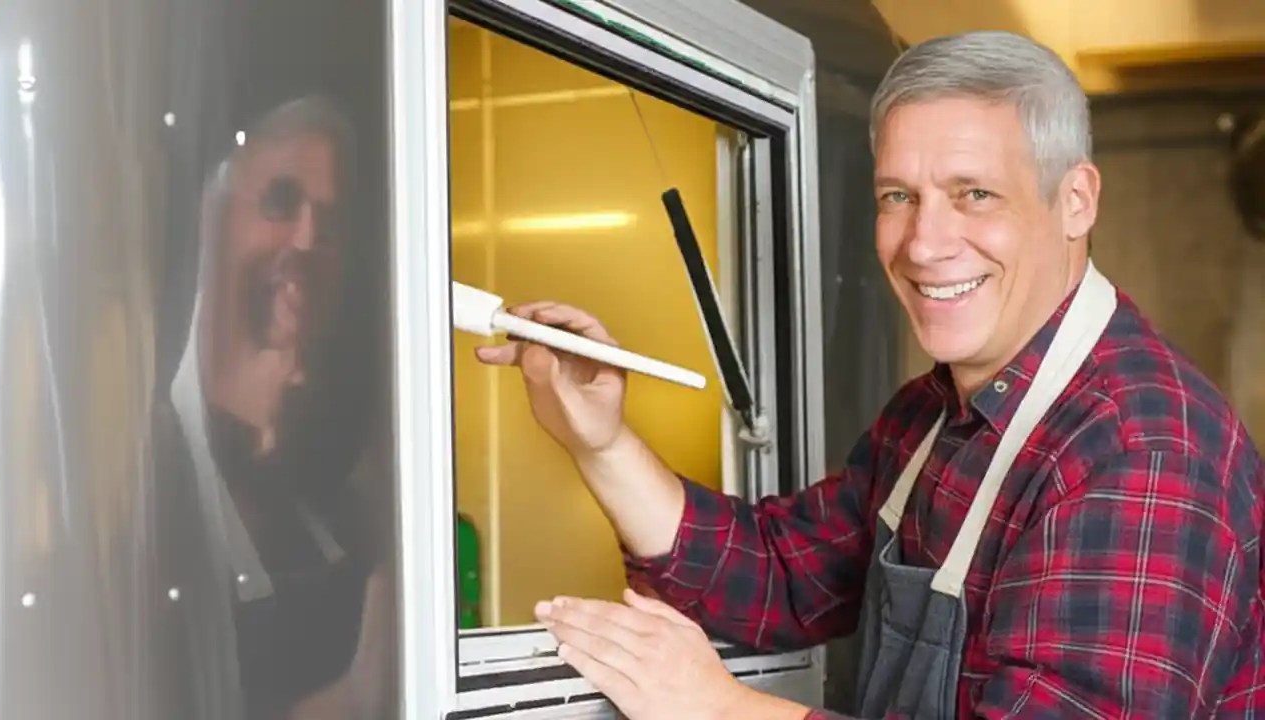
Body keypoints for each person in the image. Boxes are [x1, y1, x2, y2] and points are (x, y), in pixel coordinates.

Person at [477, 31, 1265, 719]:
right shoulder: (932, 416)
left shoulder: (1143, 454)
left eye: (974, 194)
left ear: (1076, 201)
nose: (924, 244)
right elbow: (780, 576)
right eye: (899, 196)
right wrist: (600, 441)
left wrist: (720, 707)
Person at [157, 96, 394, 719]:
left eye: (331, 222)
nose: (308, 239)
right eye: (279, 202)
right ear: (207, 218)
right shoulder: (144, 478)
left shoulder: (336, 482)